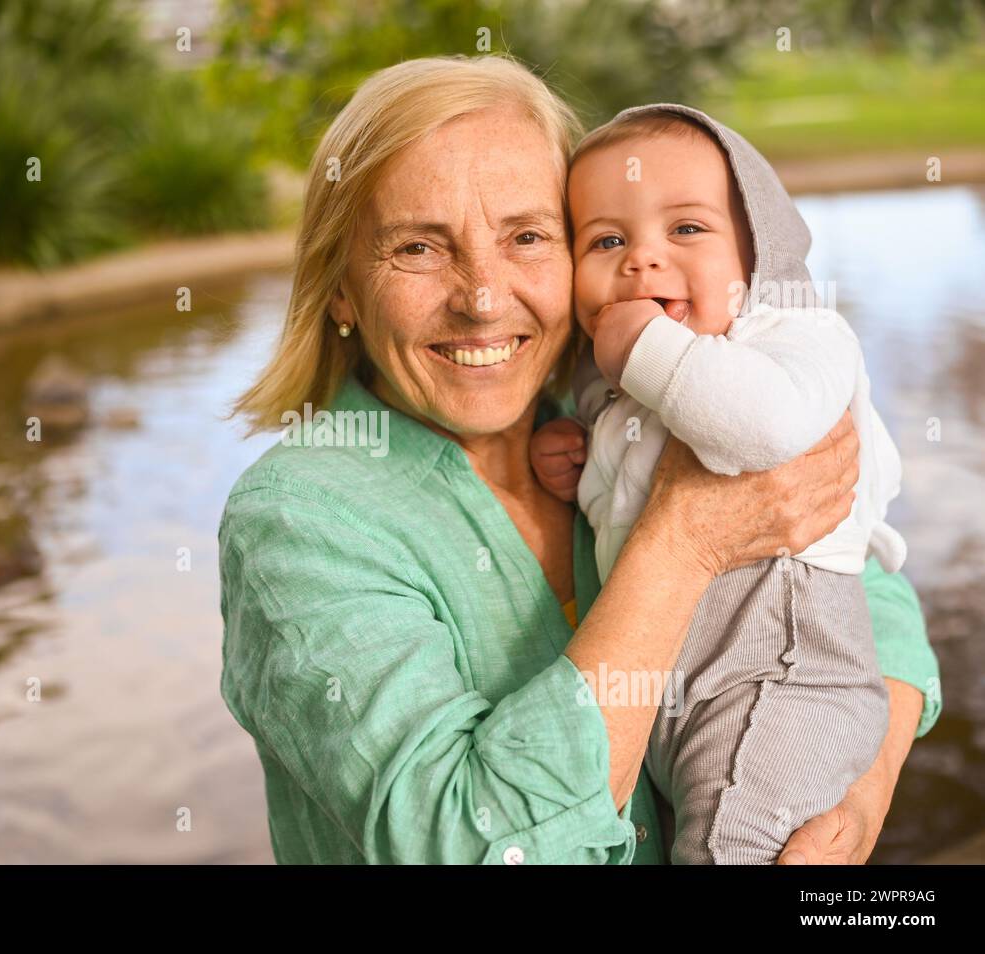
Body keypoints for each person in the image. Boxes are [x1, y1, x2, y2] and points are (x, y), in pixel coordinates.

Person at [219, 55, 940, 864]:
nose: (483, 297)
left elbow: (865, 579)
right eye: (419, 248)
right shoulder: (298, 520)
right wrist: (684, 542)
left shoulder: (619, 418)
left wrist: (866, 784)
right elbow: (464, 841)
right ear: (340, 289)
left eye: (527, 236)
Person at [530, 104, 906, 863]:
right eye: (607, 241)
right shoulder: (622, 388)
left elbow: (766, 428)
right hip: (677, 699)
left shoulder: (795, 334)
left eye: (687, 230)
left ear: (756, 253)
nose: (642, 260)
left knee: (737, 848)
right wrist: (575, 456)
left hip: (785, 676)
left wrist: (643, 346)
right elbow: (631, 498)